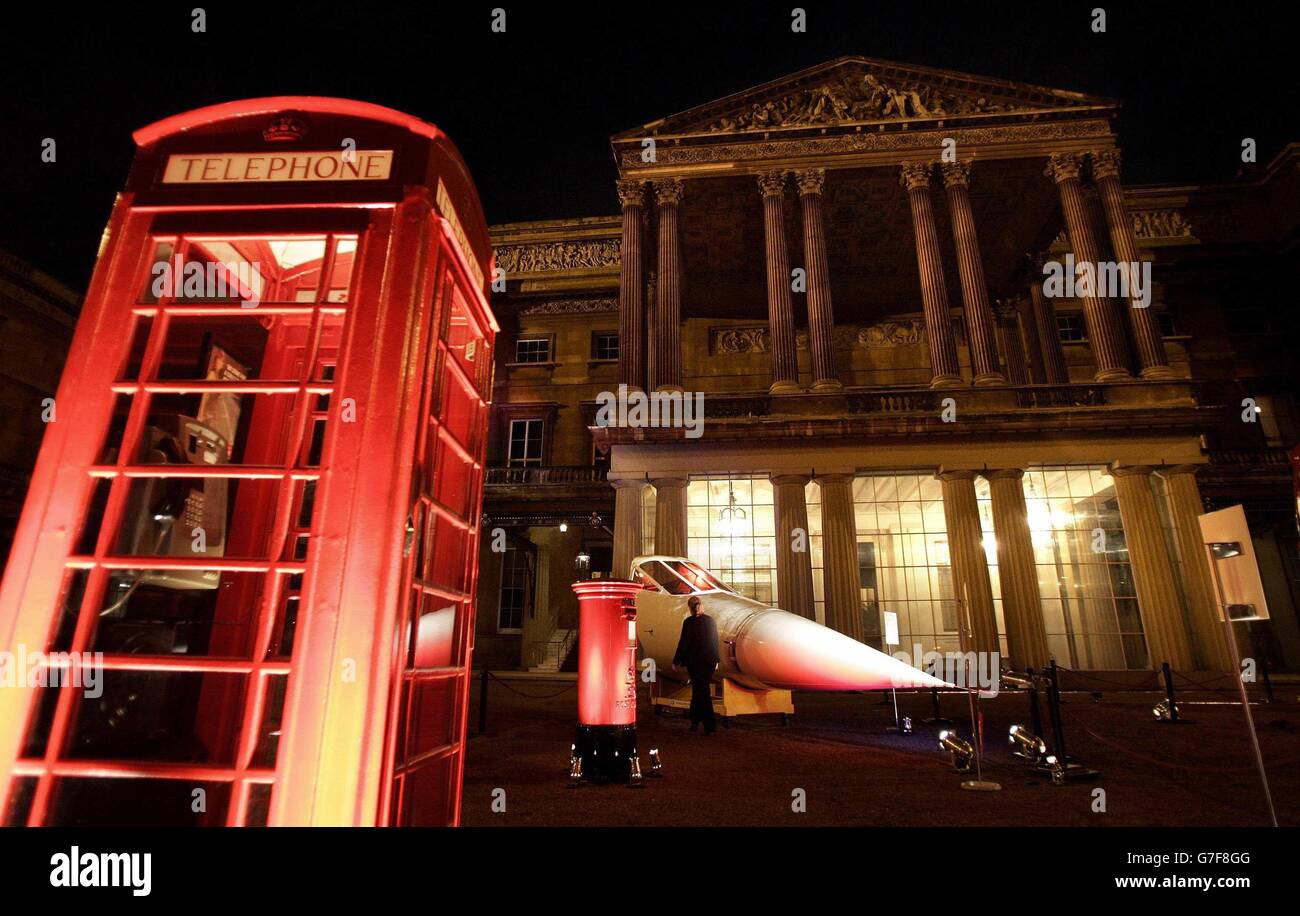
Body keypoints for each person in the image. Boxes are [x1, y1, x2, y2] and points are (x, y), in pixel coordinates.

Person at [673, 595, 720, 734]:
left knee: (699, 692)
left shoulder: (689, 622)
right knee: (703, 691)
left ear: (689, 607)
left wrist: (676, 661)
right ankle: (703, 723)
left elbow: (684, 643)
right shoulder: (710, 621)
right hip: (709, 662)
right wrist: (716, 660)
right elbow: (714, 641)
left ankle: (701, 723)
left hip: (695, 662)